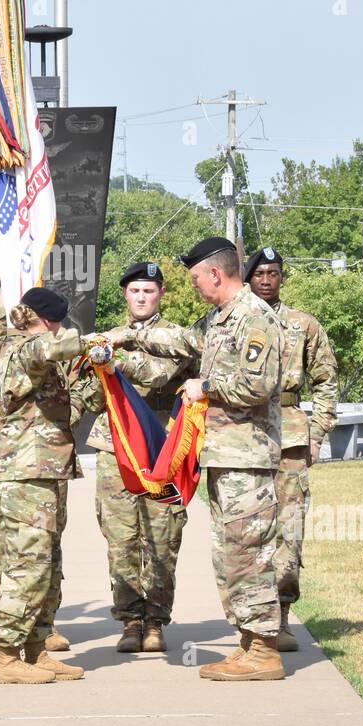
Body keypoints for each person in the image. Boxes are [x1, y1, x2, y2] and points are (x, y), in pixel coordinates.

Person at [118, 237, 285, 681]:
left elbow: (257, 385)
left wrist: (204, 388)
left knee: (250, 553)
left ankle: (265, 649)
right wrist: (127, 334)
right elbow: (184, 340)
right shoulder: (219, 318)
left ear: (215, 273)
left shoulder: (254, 317)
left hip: (246, 457)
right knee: (230, 554)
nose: (193, 286)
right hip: (225, 456)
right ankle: (248, 642)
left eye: (195, 278)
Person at [75, 261, 194, 654]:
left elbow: (159, 375)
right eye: (135, 291)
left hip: (162, 447)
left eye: (149, 290)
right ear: (125, 294)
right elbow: (90, 395)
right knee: (120, 538)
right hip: (115, 447)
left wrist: (116, 359)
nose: (142, 297)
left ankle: (156, 621)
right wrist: (97, 368)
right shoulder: (104, 339)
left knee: (162, 537)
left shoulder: (176, 337)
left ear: (161, 294)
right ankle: (129, 619)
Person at [0, 287, 91, 685]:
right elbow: (50, 349)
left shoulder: (40, 350)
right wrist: (99, 340)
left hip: (47, 471)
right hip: (25, 475)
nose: (63, 328)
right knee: (26, 566)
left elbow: (63, 405)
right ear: (47, 321)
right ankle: (7, 655)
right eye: (60, 322)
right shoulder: (21, 348)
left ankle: (35, 648)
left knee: (47, 566)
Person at [244, 248, 338, 651]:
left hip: (290, 433)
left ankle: (281, 616)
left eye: (274, 273)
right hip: (243, 433)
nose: (267, 279)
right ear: (247, 278)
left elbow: (326, 380)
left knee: (289, 529)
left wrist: (317, 432)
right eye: (260, 273)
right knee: (247, 530)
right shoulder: (231, 321)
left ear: (283, 278)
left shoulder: (303, 325)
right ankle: (251, 620)